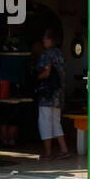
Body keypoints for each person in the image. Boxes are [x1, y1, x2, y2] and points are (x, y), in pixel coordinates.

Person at [35, 29, 69, 160]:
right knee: (56, 122)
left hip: (47, 95)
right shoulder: (60, 54)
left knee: (44, 121)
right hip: (58, 94)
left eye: (45, 38)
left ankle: (48, 153)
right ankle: (64, 150)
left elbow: (47, 72)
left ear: (51, 40)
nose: (43, 40)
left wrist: (37, 77)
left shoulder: (46, 54)